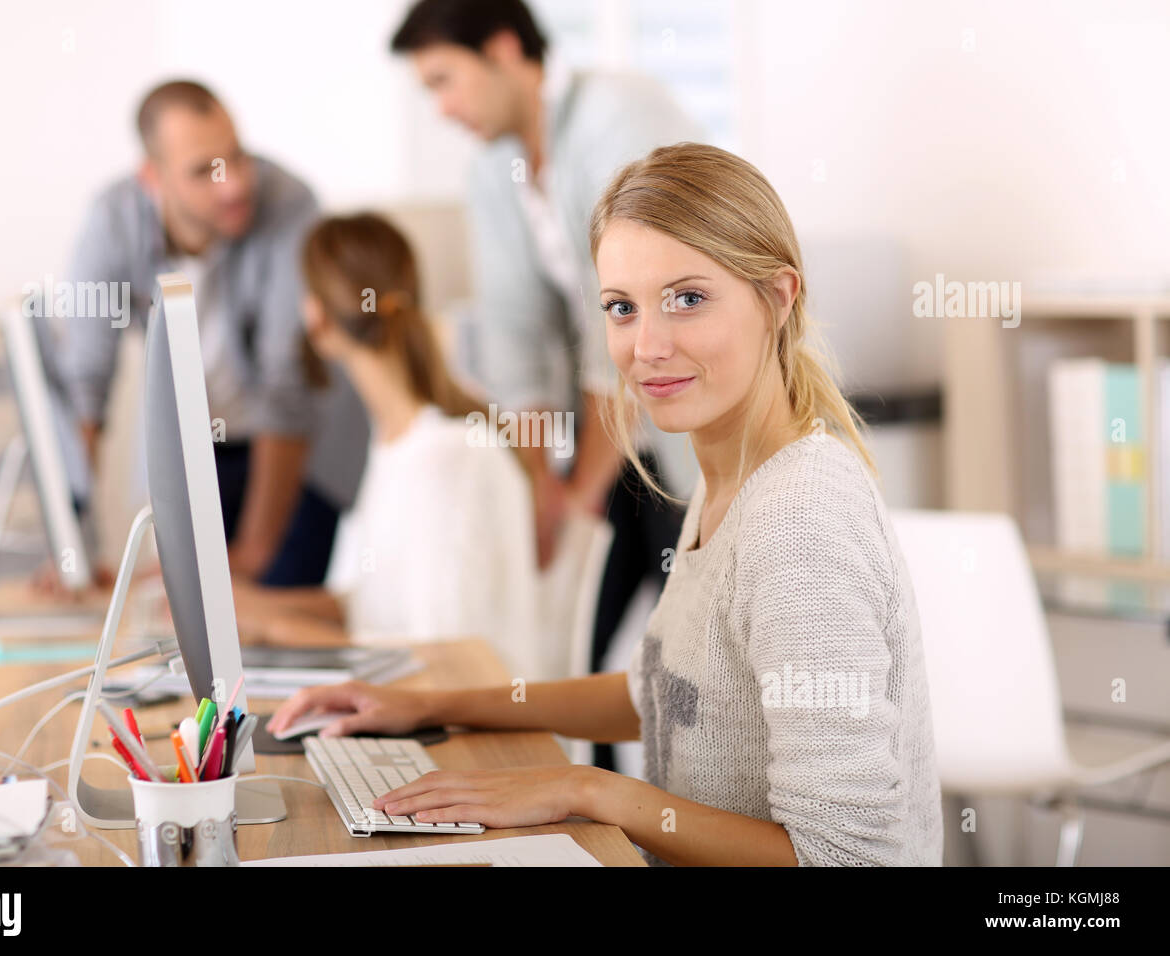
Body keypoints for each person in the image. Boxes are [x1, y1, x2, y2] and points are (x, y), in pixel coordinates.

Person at [266, 144, 944, 867]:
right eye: (622, 308)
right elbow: (668, 691)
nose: (646, 345)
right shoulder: (734, 481)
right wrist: (430, 708)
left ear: (778, 298)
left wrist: (591, 791)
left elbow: (849, 858)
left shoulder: (799, 519)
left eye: (687, 298)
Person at [390, 0, 702, 769]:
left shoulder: (617, 120)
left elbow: (635, 325)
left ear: (503, 50)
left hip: (687, 428)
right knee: (574, 644)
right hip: (618, 440)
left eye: (444, 80)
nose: (443, 108)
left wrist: (582, 488)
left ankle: (673, 826)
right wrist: (540, 481)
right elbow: (516, 341)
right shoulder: (495, 169)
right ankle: (584, 813)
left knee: (695, 664)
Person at [59, 79, 367, 587]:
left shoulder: (289, 204)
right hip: (205, 443)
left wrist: (254, 551)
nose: (235, 185)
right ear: (151, 177)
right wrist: (72, 544)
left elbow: (285, 383)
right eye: (204, 171)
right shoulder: (111, 223)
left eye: (237, 157)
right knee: (195, 614)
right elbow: (86, 386)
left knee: (274, 605)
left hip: (301, 445)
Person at [241, 213, 543, 679]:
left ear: (315, 314)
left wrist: (279, 629)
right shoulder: (394, 442)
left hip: (471, 737)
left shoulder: (446, 456)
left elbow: (437, 661)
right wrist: (250, 607)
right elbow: (371, 603)